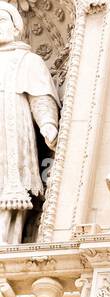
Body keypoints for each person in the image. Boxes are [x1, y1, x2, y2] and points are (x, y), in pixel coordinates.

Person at [0, 1, 58, 245]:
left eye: (2, 21)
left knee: (8, 183)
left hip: (11, 123)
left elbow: (40, 96)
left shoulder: (27, 60)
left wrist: (47, 124)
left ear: (16, 28)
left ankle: (5, 236)